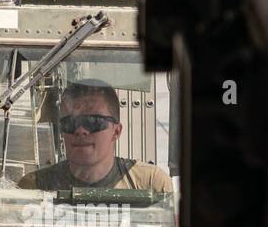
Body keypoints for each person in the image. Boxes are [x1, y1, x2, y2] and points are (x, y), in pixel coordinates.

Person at [17, 82, 173, 193]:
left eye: (93, 122)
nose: (80, 131)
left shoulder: (151, 183)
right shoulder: (34, 186)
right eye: (70, 123)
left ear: (116, 131)